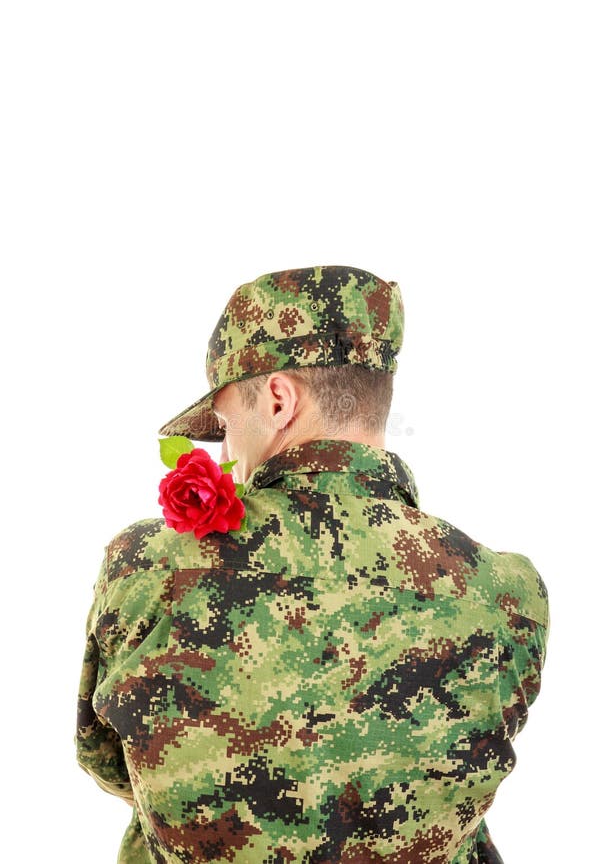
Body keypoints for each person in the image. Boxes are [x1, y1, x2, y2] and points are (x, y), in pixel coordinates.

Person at [75, 265, 550, 863]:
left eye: (223, 424)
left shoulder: (146, 565)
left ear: (278, 399)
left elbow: (105, 760)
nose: (224, 454)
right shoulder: (506, 591)